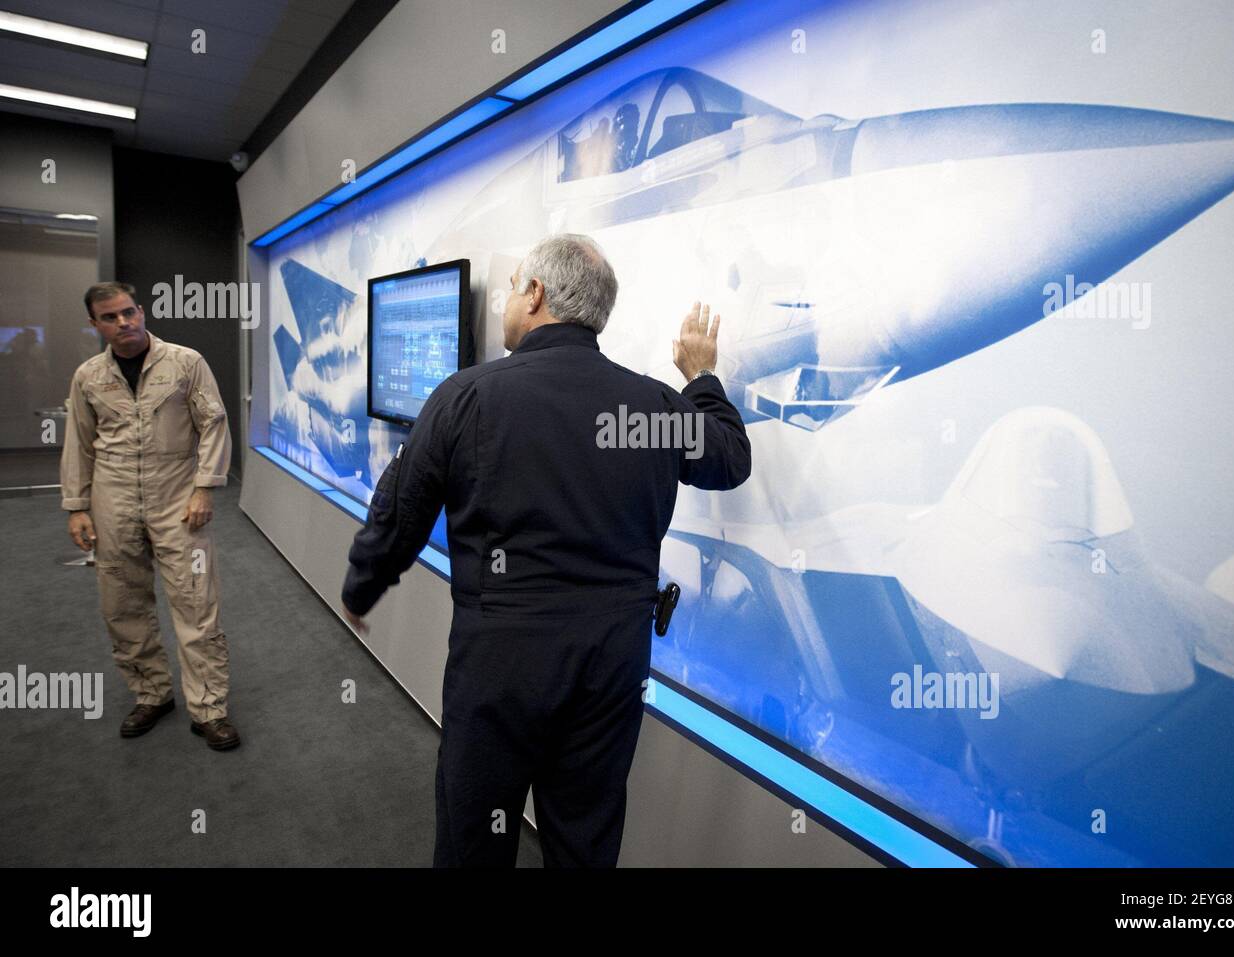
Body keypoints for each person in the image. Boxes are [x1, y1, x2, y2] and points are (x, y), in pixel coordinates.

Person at [342, 233, 751, 866]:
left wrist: (361, 587)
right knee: (584, 838)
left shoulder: (466, 397)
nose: (507, 299)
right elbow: (730, 458)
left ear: (535, 294)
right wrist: (701, 377)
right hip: (611, 666)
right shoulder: (648, 407)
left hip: (499, 665)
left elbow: (401, 515)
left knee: (476, 837)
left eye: (512, 287)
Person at [61, 281, 240, 751]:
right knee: (122, 604)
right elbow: (78, 443)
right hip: (112, 495)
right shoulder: (88, 377)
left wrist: (205, 486)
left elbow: (214, 424)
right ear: (95, 323)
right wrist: (77, 506)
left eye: (129, 312)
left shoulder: (185, 362)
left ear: (141, 311)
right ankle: (152, 694)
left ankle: (209, 708)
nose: (124, 323)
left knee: (196, 601)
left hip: (178, 497)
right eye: (110, 317)